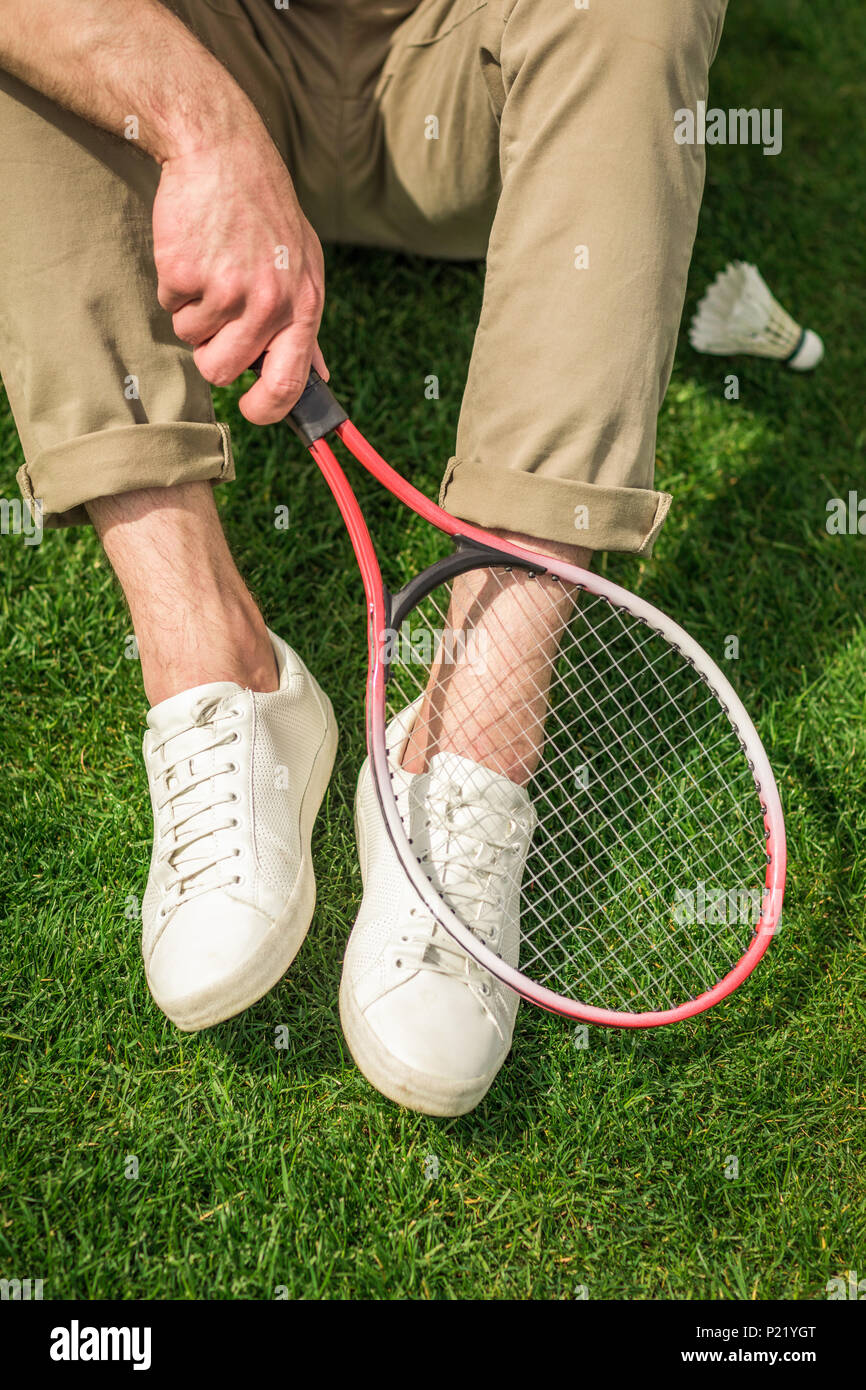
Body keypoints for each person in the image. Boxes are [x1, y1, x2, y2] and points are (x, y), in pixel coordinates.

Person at [0, 0, 728, 1115]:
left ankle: (469, 740)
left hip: (486, 90)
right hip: (212, 47)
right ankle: (215, 664)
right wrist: (204, 129)